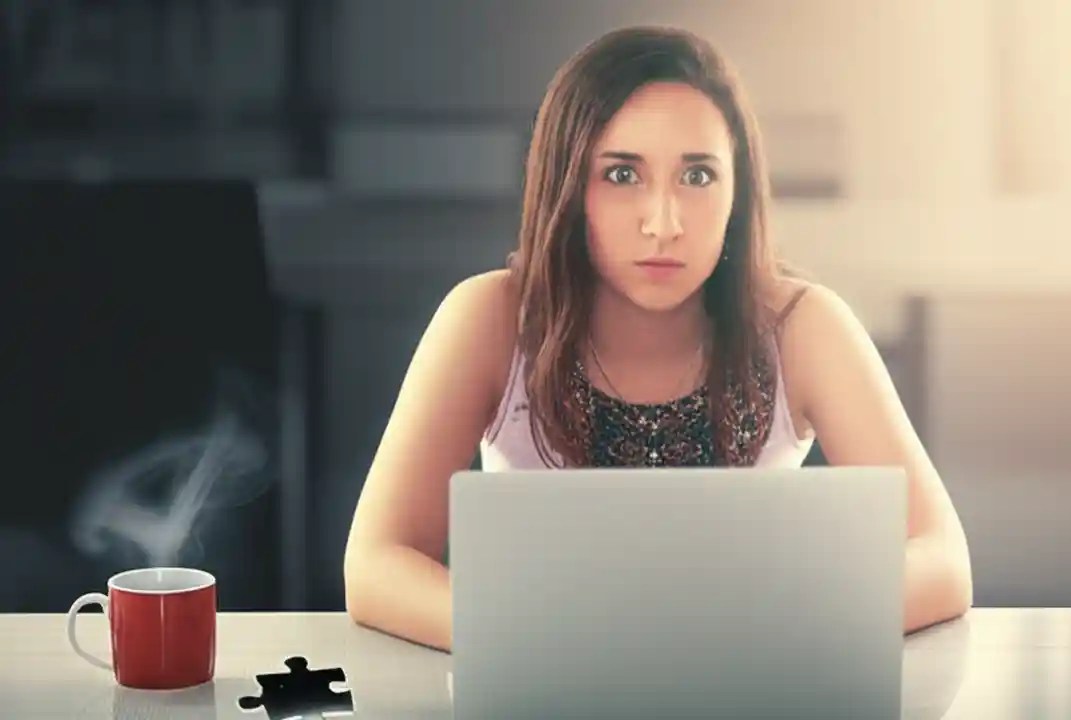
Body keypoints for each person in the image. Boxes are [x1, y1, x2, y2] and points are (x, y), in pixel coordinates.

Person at [343, 25, 972, 652]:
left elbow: (942, 560)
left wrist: (766, 624)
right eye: (621, 175)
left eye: (697, 177)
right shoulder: (488, 317)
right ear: (567, 184)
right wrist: (544, 637)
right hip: (544, 689)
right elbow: (376, 563)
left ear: (738, 192)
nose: (663, 223)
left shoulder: (805, 327)